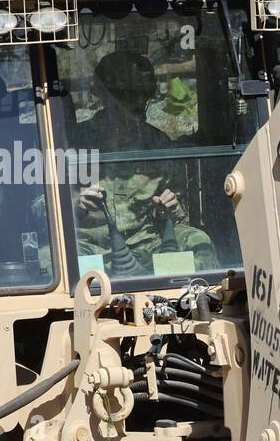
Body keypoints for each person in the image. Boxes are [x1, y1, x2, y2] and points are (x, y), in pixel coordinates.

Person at [70, 51, 217, 274]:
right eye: (129, 96)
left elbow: (179, 208)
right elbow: (42, 206)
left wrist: (167, 209)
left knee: (198, 244)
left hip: (149, 242)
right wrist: (76, 205)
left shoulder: (158, 143)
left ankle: (179, 303)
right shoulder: (74, 143)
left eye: (143, 96)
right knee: (51, 262)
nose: (138, 104)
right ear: (106, 97)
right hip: (90, 245)